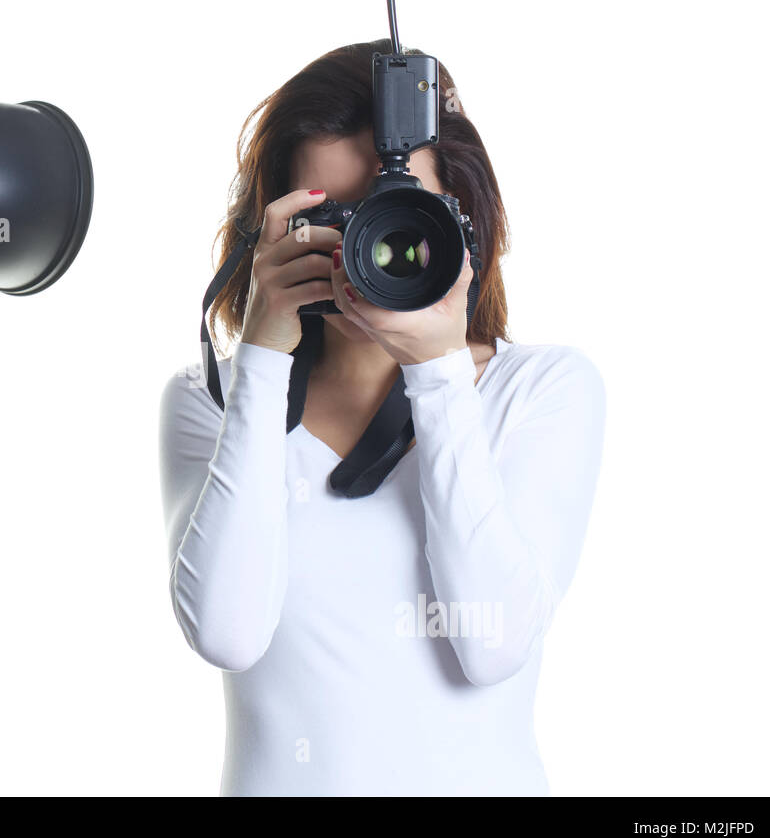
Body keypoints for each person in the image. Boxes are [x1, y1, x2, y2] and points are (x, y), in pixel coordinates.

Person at [157, 41, 606, 796]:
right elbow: (227, 634)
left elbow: (492, 644)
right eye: (328, 218)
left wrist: (438, 372)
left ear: (462, 218)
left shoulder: (539, 390)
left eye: (394, 214)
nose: (364, 247)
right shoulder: (215, 398)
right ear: (271, 230)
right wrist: (261, 360)